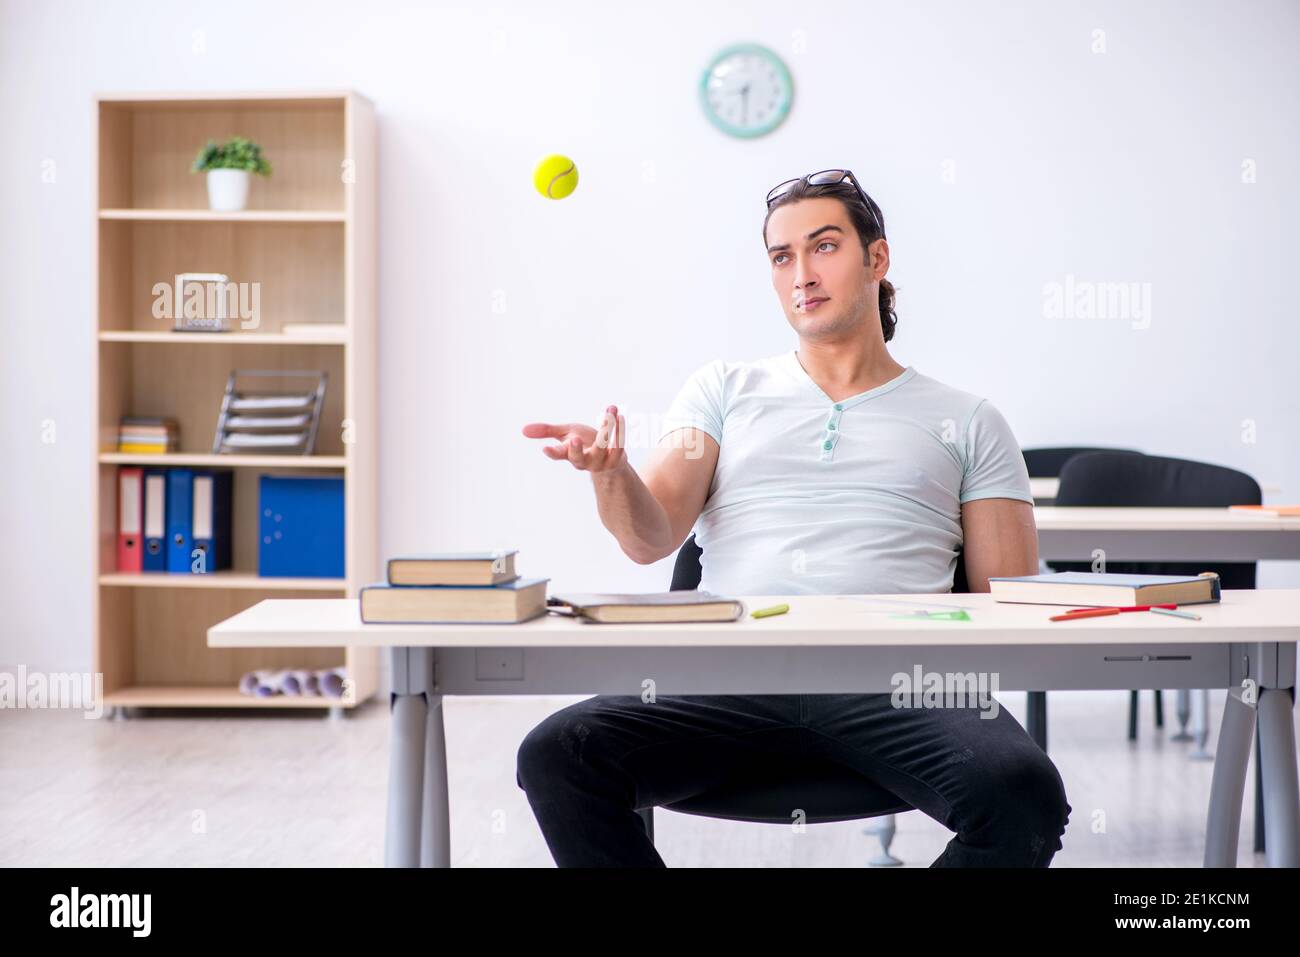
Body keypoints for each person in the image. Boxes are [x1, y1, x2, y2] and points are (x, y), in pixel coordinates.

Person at [517, 169, 1071, 867]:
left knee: (1023, 794)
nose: (801, 273)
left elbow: (1006, 604)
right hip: (726, 679)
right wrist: (611, 474)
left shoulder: (969, 420)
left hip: (901, 686)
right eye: (782, 257)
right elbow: (648, 536)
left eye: (824, 246)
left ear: (877, 258)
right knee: (557, 755)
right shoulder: (721, 391)